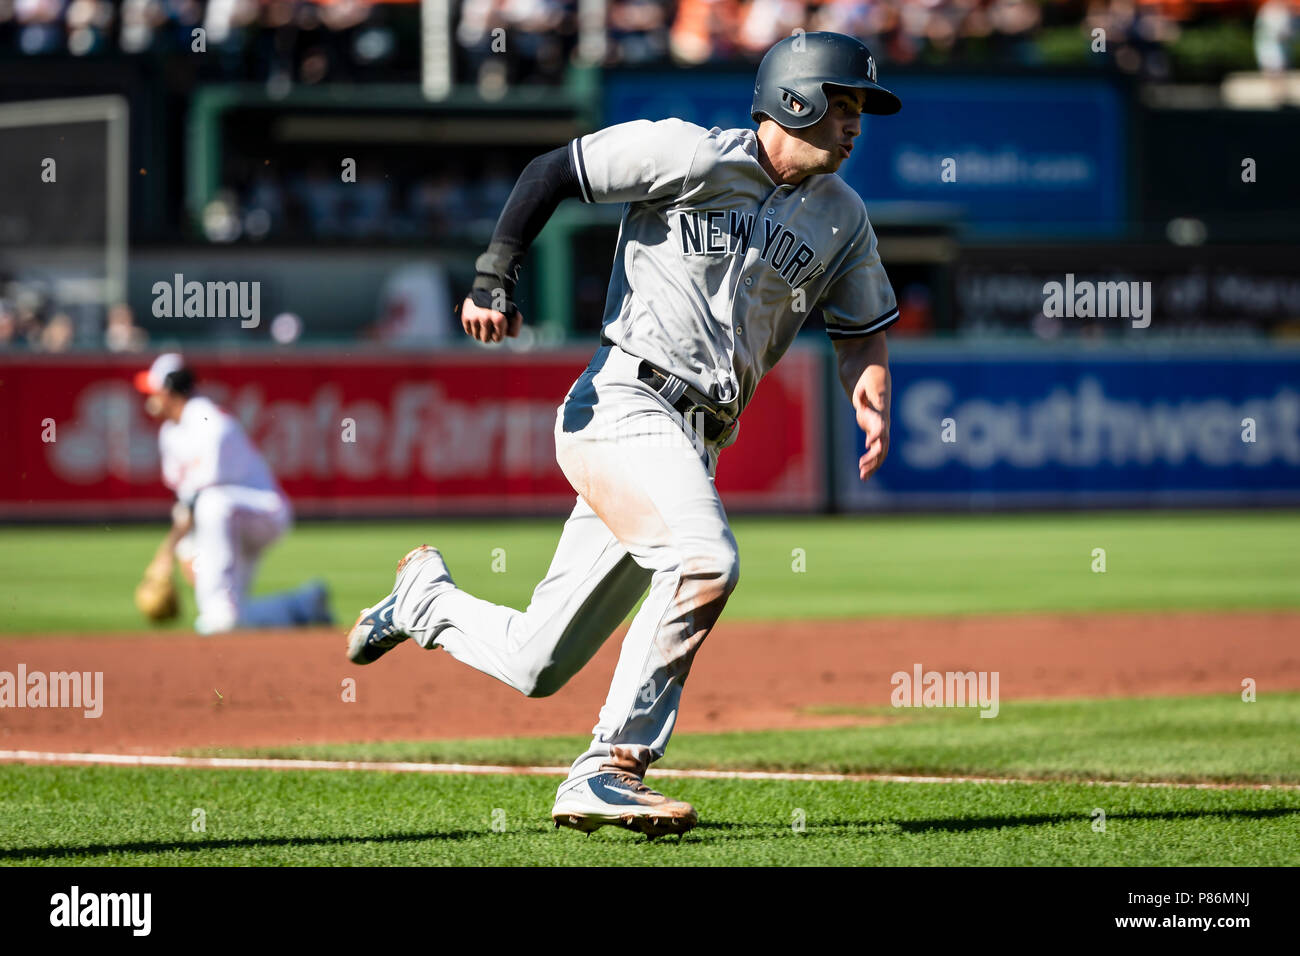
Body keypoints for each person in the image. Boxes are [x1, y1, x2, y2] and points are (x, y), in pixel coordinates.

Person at [347, 31, 900, 836]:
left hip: (693, 442)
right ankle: (611, 767)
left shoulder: (843, 219)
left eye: (860, 110)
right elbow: (553, 172)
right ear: (795, 98)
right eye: (843, 104)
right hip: (623, 404)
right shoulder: (690, 154)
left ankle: (424, 601)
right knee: (704, 561)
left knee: (538, 662)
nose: (855, 125)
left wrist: (871, 389)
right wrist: (493, 275)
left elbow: (861, 330)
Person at [135, 353, 333, 635]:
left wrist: (167, 553)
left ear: (169, 392)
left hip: (262, 512)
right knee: (236, 614)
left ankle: (219, 617)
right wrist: (185, 551)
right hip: (225, 521)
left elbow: (198, 498)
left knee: (213, 505)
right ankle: (304, 604)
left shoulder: (211, 423)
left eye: (153, 391)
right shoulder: (170, 433)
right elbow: (185, 501)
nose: (149, 399)